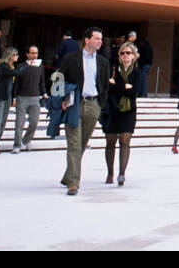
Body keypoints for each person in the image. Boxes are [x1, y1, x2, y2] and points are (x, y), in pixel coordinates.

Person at [56, 27, 111, 196]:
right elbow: (58, 77)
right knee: (74, 142)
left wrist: (100, 104)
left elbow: (105, 85)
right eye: (96, 38)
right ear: (86, 40)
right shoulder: (71, 58)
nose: (99, 41)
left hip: (93, 104)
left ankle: (68, 175)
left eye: (101, 39)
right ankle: (73, 183)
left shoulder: (103, 62)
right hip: (75, 103)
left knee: (81, 142)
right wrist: (61, 100)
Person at [101, 42, 141, 184]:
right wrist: (124, 86)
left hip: (129, 111)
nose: (125, 55)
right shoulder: (113, 70)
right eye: (122, 53)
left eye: (128, 53)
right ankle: (110, 173)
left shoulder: (137, 72)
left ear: (134, 56)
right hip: (112, 110)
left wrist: (117, 87)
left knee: (125, 140)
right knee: (110, 142)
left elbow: (135, 91)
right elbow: (108, 88)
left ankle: (122, 173)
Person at [11, 44, 47, 153]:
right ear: (27, 54)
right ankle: (17, 144)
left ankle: (26, 140)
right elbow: (16, 83)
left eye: (36, 53)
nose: (35, 55)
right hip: (22, 97)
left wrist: (44, 93)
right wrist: (14, 97)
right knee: (19, 123)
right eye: (32, 53)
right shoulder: (21, 66)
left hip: (35, 97)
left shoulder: (40, 67)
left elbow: (42, 81)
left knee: (34, 121)